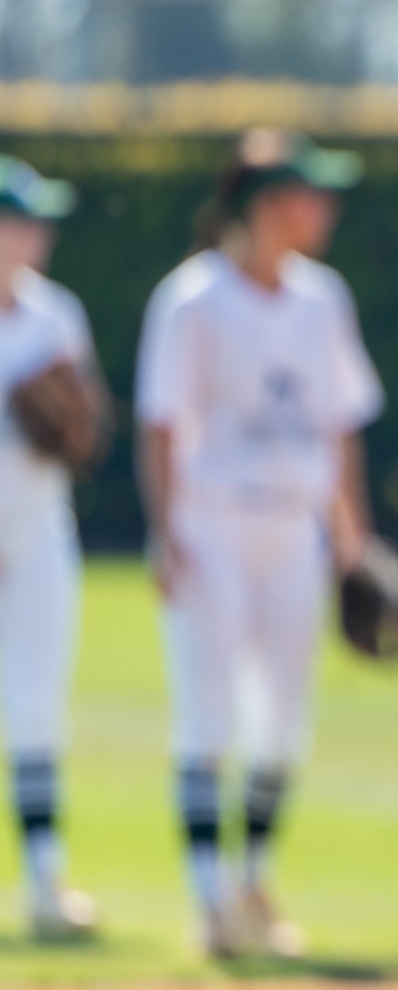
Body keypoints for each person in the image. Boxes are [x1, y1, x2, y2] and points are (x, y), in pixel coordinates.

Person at [135, 130, 383, 959]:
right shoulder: (193, 299)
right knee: (207, 714)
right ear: (264, 203)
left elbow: (341, 425)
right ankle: (210, 901)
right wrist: (166, 532)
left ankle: (254, 881)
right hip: (211, 522)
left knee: (282, 721)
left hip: (293, 529)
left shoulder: (323, 298)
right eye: (309, 192)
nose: (324, 208)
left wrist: (355, 543)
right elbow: (162, 424)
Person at [0, 156, 101, 941]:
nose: (35, 235)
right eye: (21, 219)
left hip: (37, 537)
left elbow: (83, 429)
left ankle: (44, 881)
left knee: (37, 710)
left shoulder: (55, 313)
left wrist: (74, 422)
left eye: (36, 221)